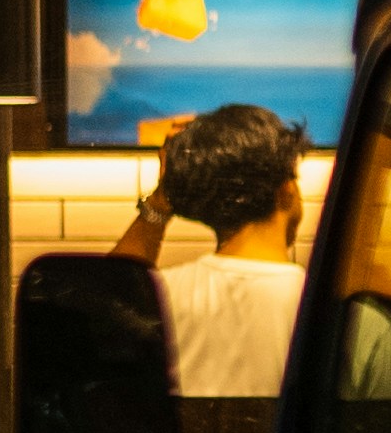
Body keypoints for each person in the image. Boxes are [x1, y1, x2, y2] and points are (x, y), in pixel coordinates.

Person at [120, 105, 309, 397]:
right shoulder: (339, 310)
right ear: (287, 190)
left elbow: (107, 300)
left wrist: (161, 199)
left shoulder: (158, 296)